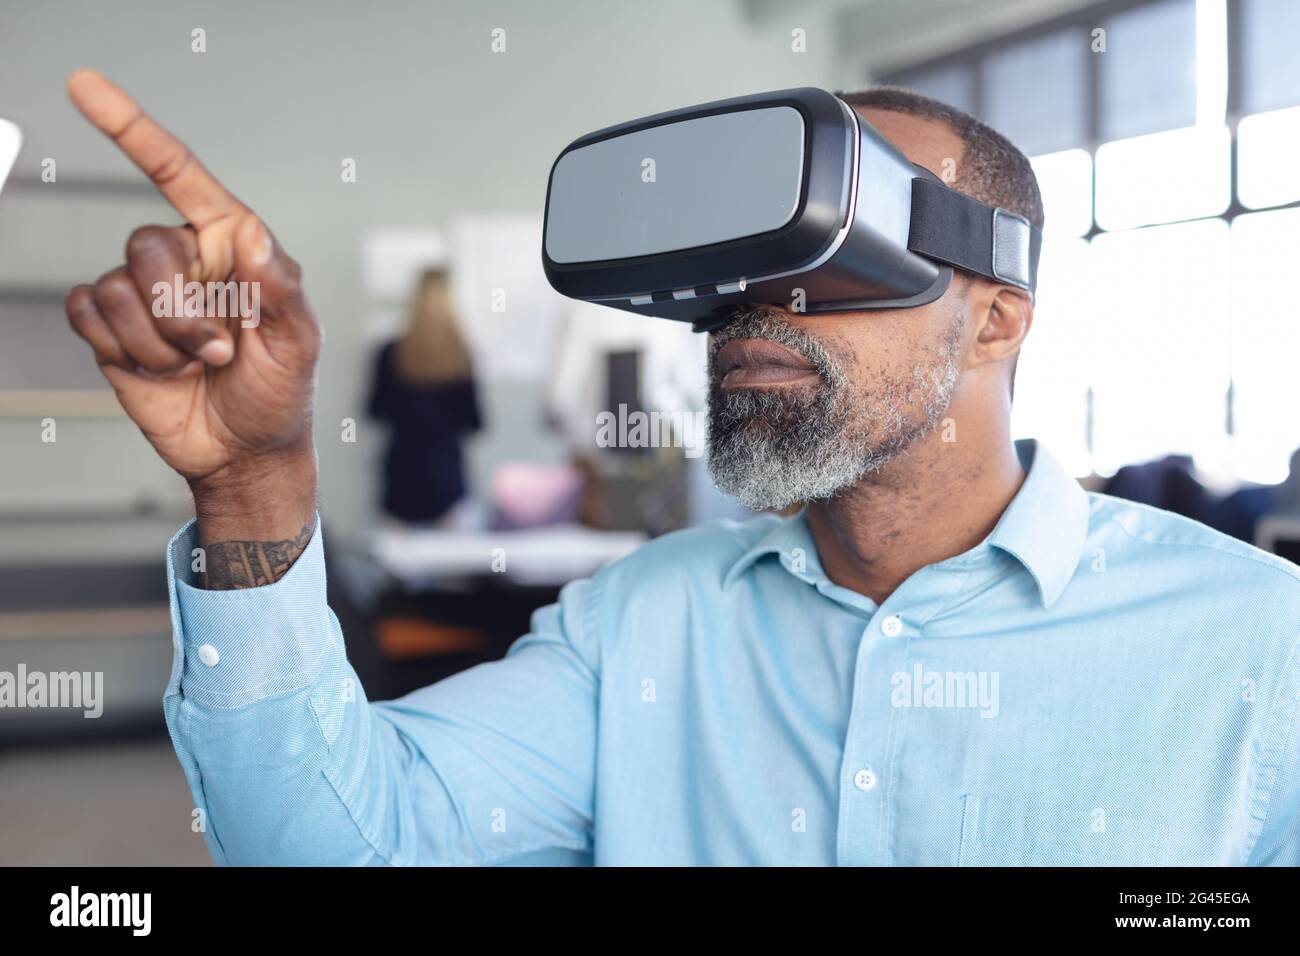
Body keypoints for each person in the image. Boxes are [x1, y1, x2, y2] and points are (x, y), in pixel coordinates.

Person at [62, 70, 1299, 866]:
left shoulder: (1256, 643)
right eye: (737, 279)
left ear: (996, 317)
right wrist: (253, 481)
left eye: (832, 259)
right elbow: (334, 845)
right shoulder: (639, 624)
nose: (757, 314)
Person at [367, 269, 481, 524]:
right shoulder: (461, 354)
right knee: (452, 561)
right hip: (447, 480)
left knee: (397, 561)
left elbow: (375, 410)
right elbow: (475, 421)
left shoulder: (389, 352)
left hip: (401, 479)